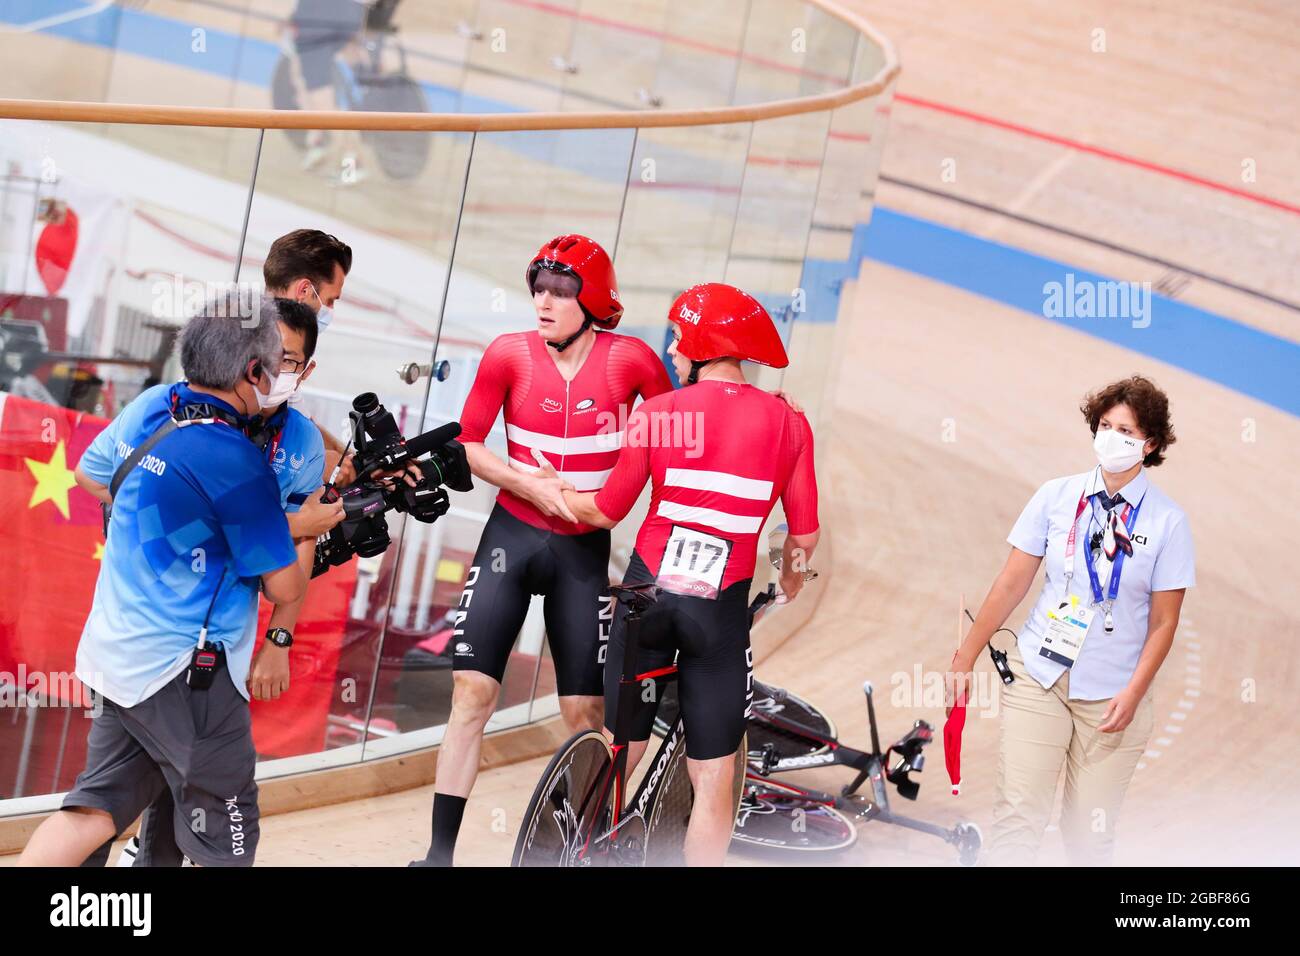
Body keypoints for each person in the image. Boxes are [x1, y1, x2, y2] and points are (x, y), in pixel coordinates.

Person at [410, 234, 674, 866]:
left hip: (582, 551)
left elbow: (675, 435)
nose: (543, 302)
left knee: (582, 712)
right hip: (511, 535)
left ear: (595, 300)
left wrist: (759, 404)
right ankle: (439, 855)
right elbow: (466, 444)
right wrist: (528, 482)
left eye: (561, 292)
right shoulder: (508, 355)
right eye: (538, 289)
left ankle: (582, 842)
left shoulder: (630, 360)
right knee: (471, 693)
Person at [18, 295, 308, 867]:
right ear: (253, 372)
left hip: (117, 654)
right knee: (227, 833)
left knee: (94, 810)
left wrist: (188, 521)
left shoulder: (155, 407)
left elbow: (94, 475)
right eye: (277, 365)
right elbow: (284, 586)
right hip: (186, 674)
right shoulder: (235, 460)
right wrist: (311, 522)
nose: (280, 378)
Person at [560, 282, 821, 867]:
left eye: (679, 337)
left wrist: (552, 492)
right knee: (714, 775)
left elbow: (605, 509)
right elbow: (801, 537)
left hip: (649, 597)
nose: (673, 350)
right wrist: (790, 581)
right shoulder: (789, 423)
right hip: (718, 613)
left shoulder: (657, 414)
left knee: (619, 741)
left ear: (704, 343)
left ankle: (585, 845)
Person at [949, 375, 1195, 866]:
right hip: (1040, 676)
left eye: (1124, 430)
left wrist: (1133, 692)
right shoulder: (1056, 497)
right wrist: (964, 657)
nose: (1111, 437)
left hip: (1111, 698)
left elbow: (1164, 623)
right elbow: (1010, 583)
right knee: (1018, 819)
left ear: (1149, 444)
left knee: (1087, 837)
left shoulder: (1168, 523)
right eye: (1104, 425)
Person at [261, 228, 355, 482]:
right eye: (330, 300)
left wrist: (353, 461)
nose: (331, 310)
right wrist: (318, 463)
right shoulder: (247, 350)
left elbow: (301, 419)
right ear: (304, 290)